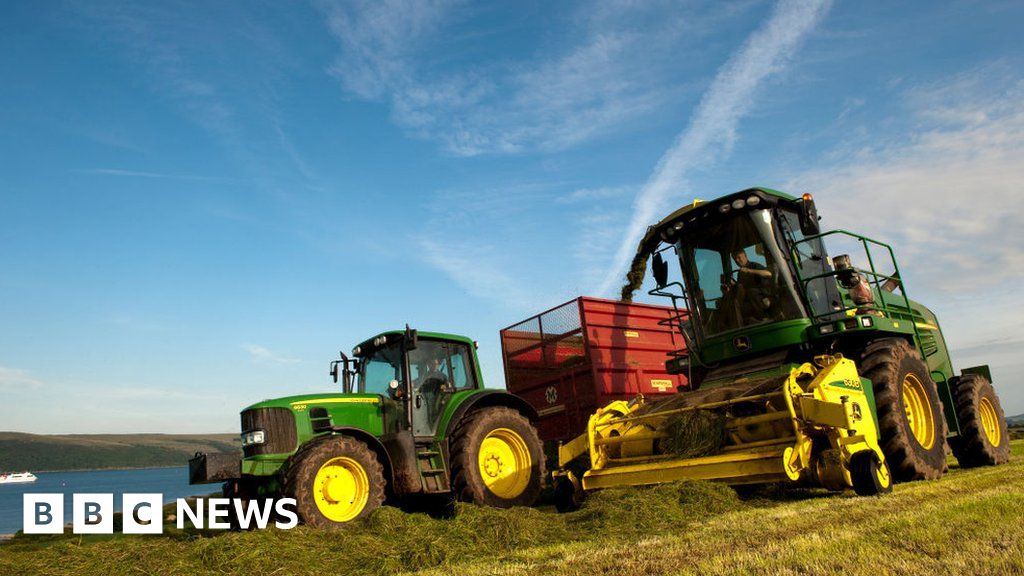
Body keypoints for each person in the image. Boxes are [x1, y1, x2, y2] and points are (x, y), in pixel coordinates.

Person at [731, 248, 774, 319]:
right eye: (735, 259)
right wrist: (732, 286)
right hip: (749, 298)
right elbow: (741, 287)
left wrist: (749, 271)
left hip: (762, 294)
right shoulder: (740, 273)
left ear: (745, 256)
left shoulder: (754, 265)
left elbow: (768, 273)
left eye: (739, 257)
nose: (737, 260)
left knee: (751, 292)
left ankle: (765, 318)